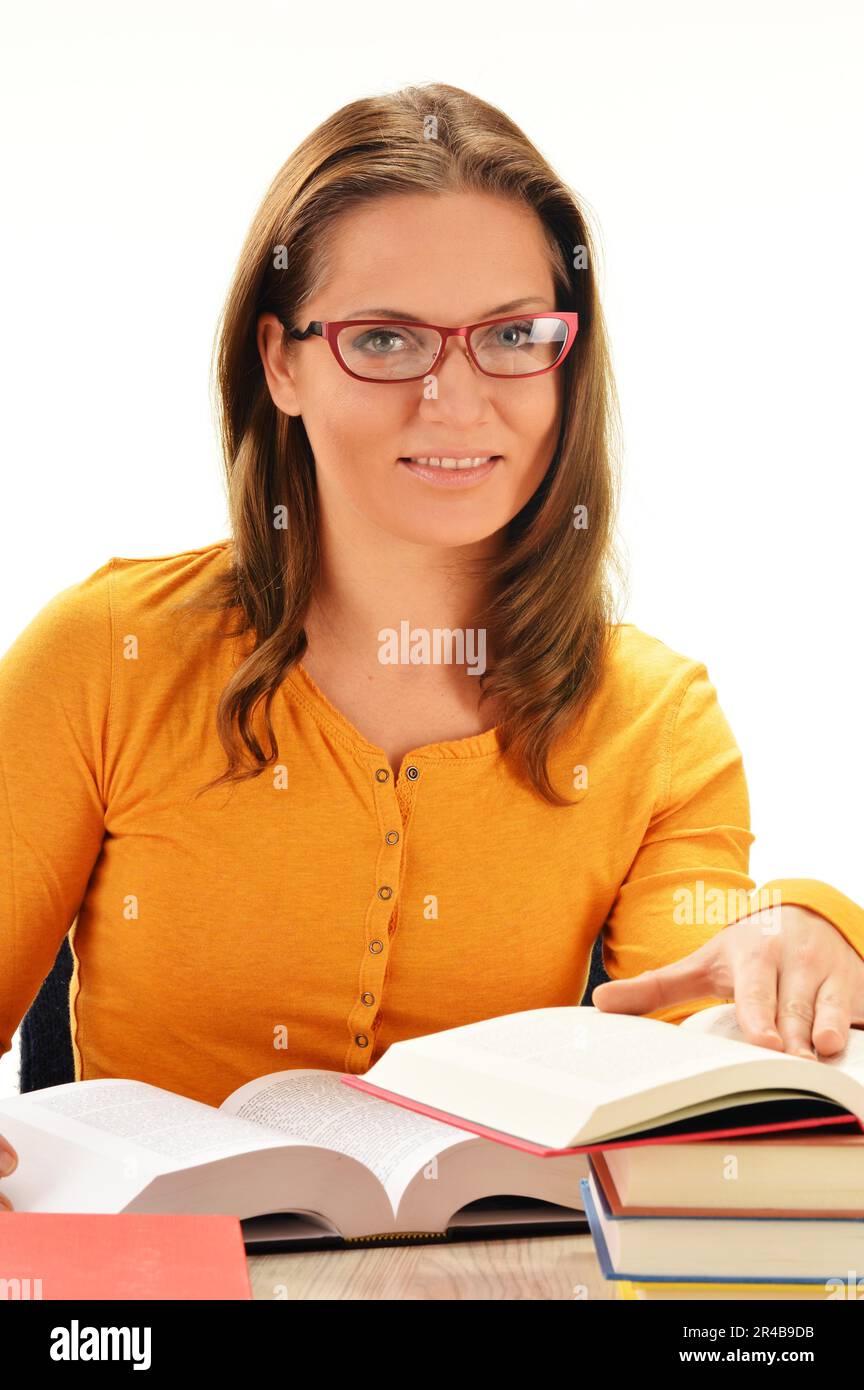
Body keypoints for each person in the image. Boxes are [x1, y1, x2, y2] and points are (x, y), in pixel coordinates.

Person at [1, 82, 862, 1210]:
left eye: (512, 335)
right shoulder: (106, 655)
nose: (454, 400)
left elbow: (690, 1075)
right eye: (387, 338)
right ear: (284, 363)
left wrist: (805, 925)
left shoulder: (657, 721)